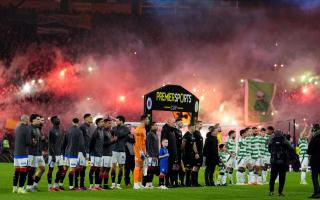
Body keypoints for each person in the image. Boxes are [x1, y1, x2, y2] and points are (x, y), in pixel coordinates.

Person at [268, 130, 295, 196]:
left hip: (274, 161)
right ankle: (280, 192)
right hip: (283, 161)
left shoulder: (272, 140)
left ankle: (271, 191)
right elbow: (291, 148)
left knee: (272, 177)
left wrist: (273, 154)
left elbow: (269, 149)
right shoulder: (284, 140)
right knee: (282, 177)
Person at [12, 115, 32, 194]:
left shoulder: (17, 128)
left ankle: (14, 188)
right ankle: (20, 188)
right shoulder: (27, 129)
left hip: (16, 153)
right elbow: (28, 142)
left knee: (16, 171)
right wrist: (32, 142)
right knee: (23, 171)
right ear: (27, 120)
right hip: (23, 153)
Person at [111, 115, 130, 189]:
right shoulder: (115, 128)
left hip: (122, 150)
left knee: (121, 167)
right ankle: (113, 183)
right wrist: (113, 131)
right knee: (113, 167)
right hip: (114, 149)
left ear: (121, 121)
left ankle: (118, 184)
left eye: (117, 120)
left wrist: (114, 129)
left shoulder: (126, 129)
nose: (116, 122)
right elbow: (112, 136)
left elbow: (119, 134)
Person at [64, 118, 83, 191]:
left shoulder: (68, 130)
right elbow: (81, 144)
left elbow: (64, 142)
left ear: (72, 122)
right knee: (72, 169)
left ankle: (59, 185)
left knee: (65, 169)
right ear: (78, 122)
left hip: (67, 152)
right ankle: (71, 186)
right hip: (74, 152)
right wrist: (84, 153)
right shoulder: (79, 131)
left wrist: (64, 152)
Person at [47, 116, 65, 191]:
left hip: (59, 154)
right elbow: (50, 144)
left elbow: (60, 143)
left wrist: (62, 152)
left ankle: (55, 185)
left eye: (58, 118)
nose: (58, 120)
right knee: (50, 169)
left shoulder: (61, 130)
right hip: (53, 154)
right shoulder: (51, 131)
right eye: (56, 119)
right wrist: (53, 155)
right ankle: (49, 186)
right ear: (53, 121)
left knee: (61, 169)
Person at [160, 118, 178, 187]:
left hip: (173, 153)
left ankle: (170, 182)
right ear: (168, 122)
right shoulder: (165, 130)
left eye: (174, 122)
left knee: (171, 168)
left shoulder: (172, 131)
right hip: (168, 153)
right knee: (167, 168)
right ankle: (166, 183)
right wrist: (165, 152)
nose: (174, 124)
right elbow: (164, 142)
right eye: (173, 122)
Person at [133, 115, 149, 189]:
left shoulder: (143, 129)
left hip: (142, 150)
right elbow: (138, 142)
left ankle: (139, 183)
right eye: (147, 119)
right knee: (137, 166)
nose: (148, 120)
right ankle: (135, 183)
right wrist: (141, 152)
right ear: (144, 119)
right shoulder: (139, 129)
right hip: (138, 151)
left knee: (141, 167)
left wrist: (145, 151)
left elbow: (143, 142)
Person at [88, 118, 105, 190]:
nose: (103, 123)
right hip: (95, 154)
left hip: (100, 154)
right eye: (101, 122)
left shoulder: (101, 131)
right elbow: (91, 143)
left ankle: (97, 186)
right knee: (93, 169)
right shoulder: (96, 132)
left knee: (98, 170)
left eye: (103, 121)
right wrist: (91, 153)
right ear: (97, 123)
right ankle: (91, 186)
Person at [78, 113, 93, 190]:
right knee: (80, 168)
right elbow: (80, 139)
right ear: (86, 118)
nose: (92, 118)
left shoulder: (88, 127)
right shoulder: (82, 127)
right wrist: (83, 151)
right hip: (81, 151)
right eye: (90, 117)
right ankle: (78, 185)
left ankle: (81, 185)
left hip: (86, 151)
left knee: (84, 168)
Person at [101, 118, 117, 189]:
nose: (110, 125)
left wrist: (114, 141)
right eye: (109, 123)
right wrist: (112, 141)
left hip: (109, 153)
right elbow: (102, 144)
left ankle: (105, 185)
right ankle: (99, 185)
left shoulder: (109, 132)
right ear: (104, 123)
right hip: (104, 154)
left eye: (111, 123)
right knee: (103, 169)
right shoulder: (103, 132)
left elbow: (110, 142)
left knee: (108, 169)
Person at [307, 124, 320, 198]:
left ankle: (317, 192)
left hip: (315, 160)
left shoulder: (314, 138)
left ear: (315, 130)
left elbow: (309, 151)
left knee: (314, 176)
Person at [146, 122, 159, 189]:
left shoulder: (155, 134)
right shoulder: (150, 134)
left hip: (156, 155)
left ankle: (150, 183)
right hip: (152, 155)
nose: (157, 127)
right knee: (150, 170)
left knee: (153, 170)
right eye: (155, 125)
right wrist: (152, 155)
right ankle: (147, 183)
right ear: (151, 126)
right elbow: (149, 146)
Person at [192, 120, 203, 187]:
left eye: (201, 124)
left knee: (198, 167)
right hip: (197, 153)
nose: (201, 125)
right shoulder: (195, 133)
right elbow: (194, 143)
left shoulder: (199, 133)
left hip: (200, 152)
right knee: (195, 167)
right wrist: (196, 153)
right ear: (196, 125)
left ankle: (195, 182)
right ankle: (193, 182)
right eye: (200, 124)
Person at [173, 118, 184, 186]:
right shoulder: (174, 131)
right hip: (175, 151)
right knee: (175, 166)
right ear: (176, 123)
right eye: (180, 123)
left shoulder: (180, 131)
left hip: (179, 151)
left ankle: (177, 181)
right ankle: (173, 181)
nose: (182, 124)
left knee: (178, 166)